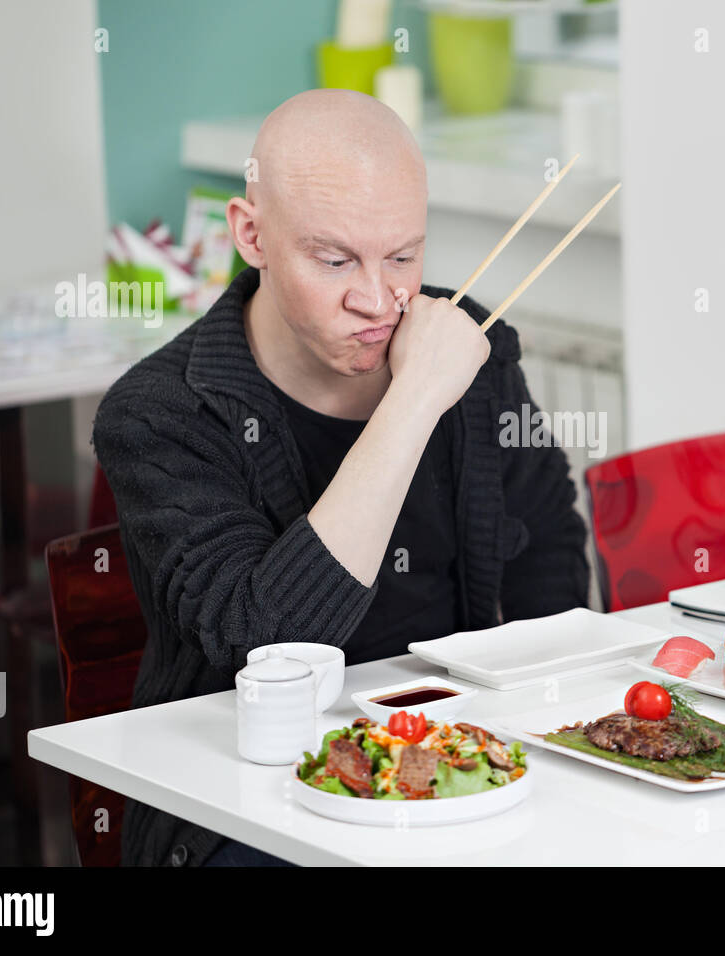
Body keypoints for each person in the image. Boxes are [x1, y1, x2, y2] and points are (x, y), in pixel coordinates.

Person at [92, 89, 588, 866]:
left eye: (403, 257)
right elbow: (265, 644)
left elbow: (548, 551)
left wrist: (550, 730)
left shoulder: (472, 354)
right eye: (333, 260)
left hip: (457, 763)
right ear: (250, 234)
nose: (377, 300)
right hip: (246, 802)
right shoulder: (160, 414)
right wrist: (414, 401)